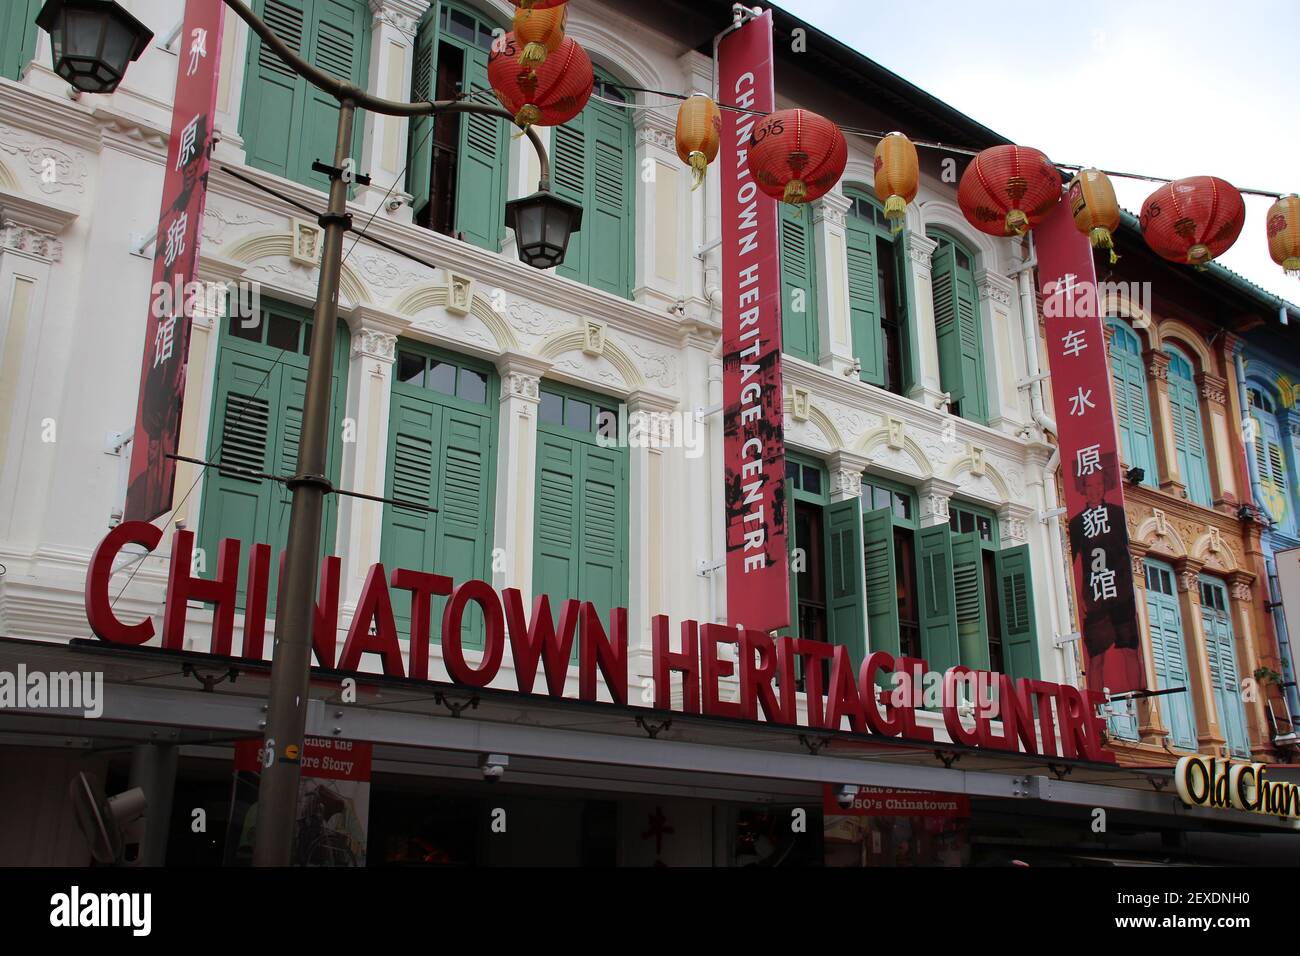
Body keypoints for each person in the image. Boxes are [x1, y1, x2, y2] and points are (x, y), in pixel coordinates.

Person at [1067, 457, 1143, 697]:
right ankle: (1096, 713)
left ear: (1104, 487)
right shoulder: (1079, 522)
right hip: (1095, 596)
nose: (1095, 491)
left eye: (1099, 486)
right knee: (1095, 656)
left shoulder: (1116, 514)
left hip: (1120, 593)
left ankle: (1143, 707)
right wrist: (1077, 596)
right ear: (1083, 489)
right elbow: (1072, 559)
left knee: (1130, 649)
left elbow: (1129, 551)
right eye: (1090, 486)